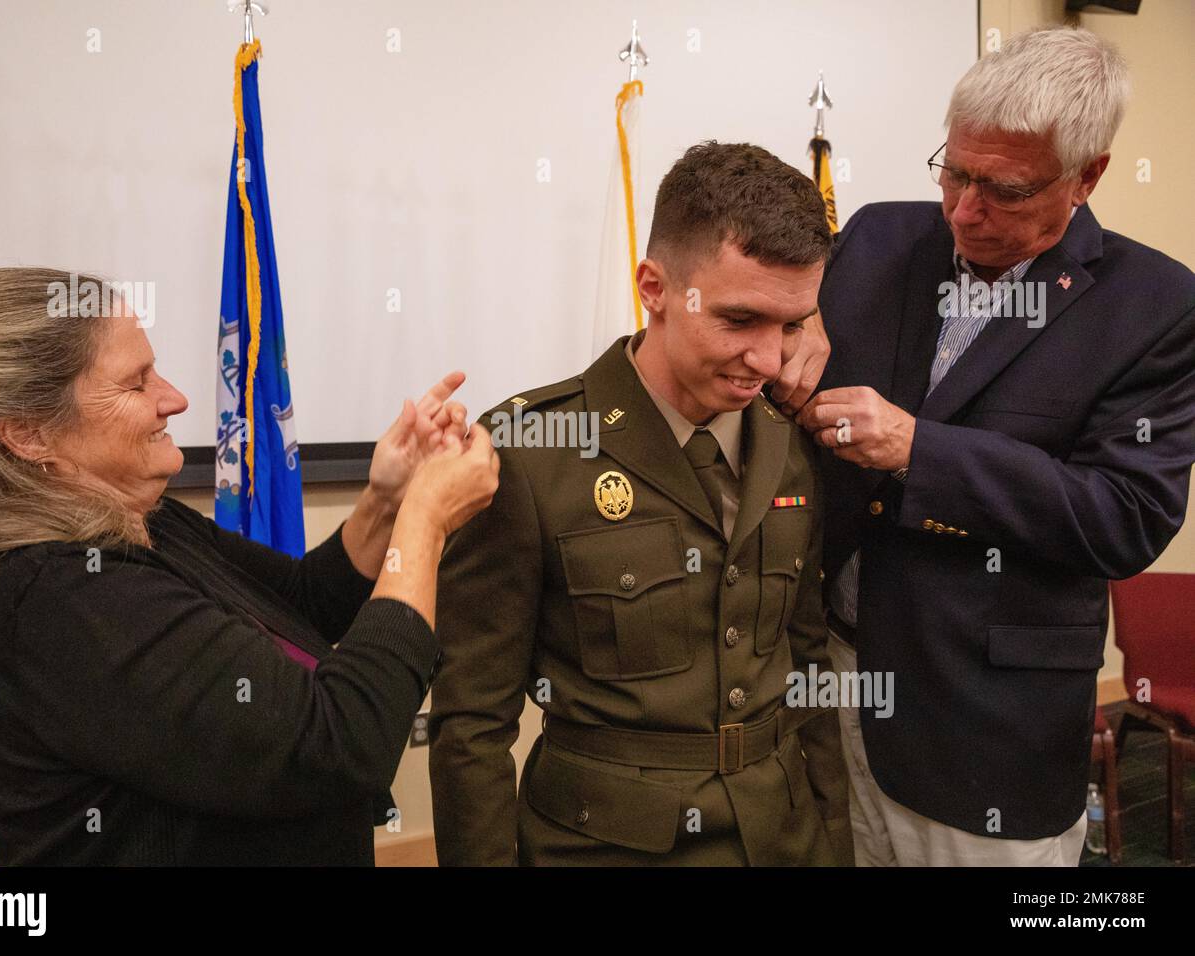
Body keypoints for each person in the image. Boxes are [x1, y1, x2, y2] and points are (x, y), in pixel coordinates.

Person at [0, 266, 499, 865]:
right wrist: (424, 521)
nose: (175, 398)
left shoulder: (140, 518)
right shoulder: (56, 596)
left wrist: (387, 501)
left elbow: (303, 601)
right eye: (137, 383)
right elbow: (338, 744)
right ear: (29, 435)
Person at [795, 26, 1195, 865]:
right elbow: (793, 369)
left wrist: (918, 450)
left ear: (1088, 176)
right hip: (829, 680)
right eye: (954, 171)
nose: (963, 211)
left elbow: (1125, 518)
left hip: (984, 724)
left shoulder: (1155, 306)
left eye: (1005, 190)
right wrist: (786, 351)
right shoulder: (873, 236)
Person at [429, 142, 852, 865]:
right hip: (603, 845)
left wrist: (833, 846)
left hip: (781, 839)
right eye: (739, 320)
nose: (770, 361)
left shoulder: (791, 444)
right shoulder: (531, 454)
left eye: (790, 325)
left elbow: (805, 673)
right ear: (654, 288)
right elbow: (472, 724)